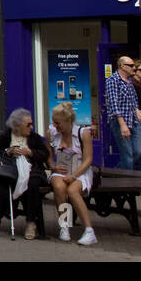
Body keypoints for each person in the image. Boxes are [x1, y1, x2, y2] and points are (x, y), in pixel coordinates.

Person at [0, 108, 49, 239]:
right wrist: (7, 152)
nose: (31, 127)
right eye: (28, 124)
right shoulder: (4, 137)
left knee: (32, 185)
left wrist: (30, 153)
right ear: (17, 125)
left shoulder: (35, 138)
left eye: (32, 124)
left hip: (32, 171)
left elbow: (44, 154)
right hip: (9, 172)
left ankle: (31, 223)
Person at [47, 101, 96, 246]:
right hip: (61, 170)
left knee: (73, 190)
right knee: (59, 187)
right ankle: (65, 226)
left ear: (68, 120)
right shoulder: (52, 134)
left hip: (80, 171)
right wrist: (52, 166)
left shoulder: (83, 133)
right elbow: (48, 155)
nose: (55, 126)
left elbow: (88, 160)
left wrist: (74, 176)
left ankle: (89, 230)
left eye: (58, 123)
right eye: (53, 122)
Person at [104, 55, 139, 170]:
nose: (134, 68)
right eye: (131, 65)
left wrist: (137, 110)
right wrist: (122, 125)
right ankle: (129, 183)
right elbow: (114, 104)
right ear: (123, 66)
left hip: (133, 119)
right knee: (128, 155)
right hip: (120, 121)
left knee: (138, 151)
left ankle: (117, 172)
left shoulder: (129, 81)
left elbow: (133, 99)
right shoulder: (113, 80)